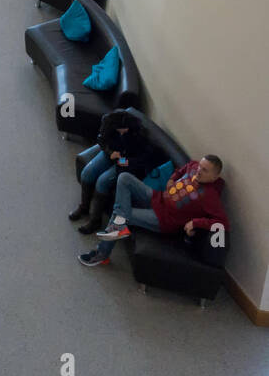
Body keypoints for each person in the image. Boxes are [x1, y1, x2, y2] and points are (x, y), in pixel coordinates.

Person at [79, 156, 230, 267]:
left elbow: (223, 223)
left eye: (205, 170)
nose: (199, 171)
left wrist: (195, 222)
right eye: (200, 167)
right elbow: (181, 170)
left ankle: (102, 253)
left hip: (163, 219)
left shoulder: (210, 196)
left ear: (214, 177)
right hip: (157, 198)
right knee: (124, 177)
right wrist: (172, 179)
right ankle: (120, 223)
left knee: (121, 215)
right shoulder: (193, 166)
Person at [70, 109, 161, 234]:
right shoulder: (108, 122)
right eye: (120, 130)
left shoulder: (138, 134)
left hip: (126, 162)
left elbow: (142, 159)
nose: (123, 132)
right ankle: (84, 207)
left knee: (102, 182)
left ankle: (95, 220)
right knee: (87, 173)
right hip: (111, 154)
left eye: (124, 130)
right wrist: (110, 152)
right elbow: (101, 140)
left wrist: (123, 160)